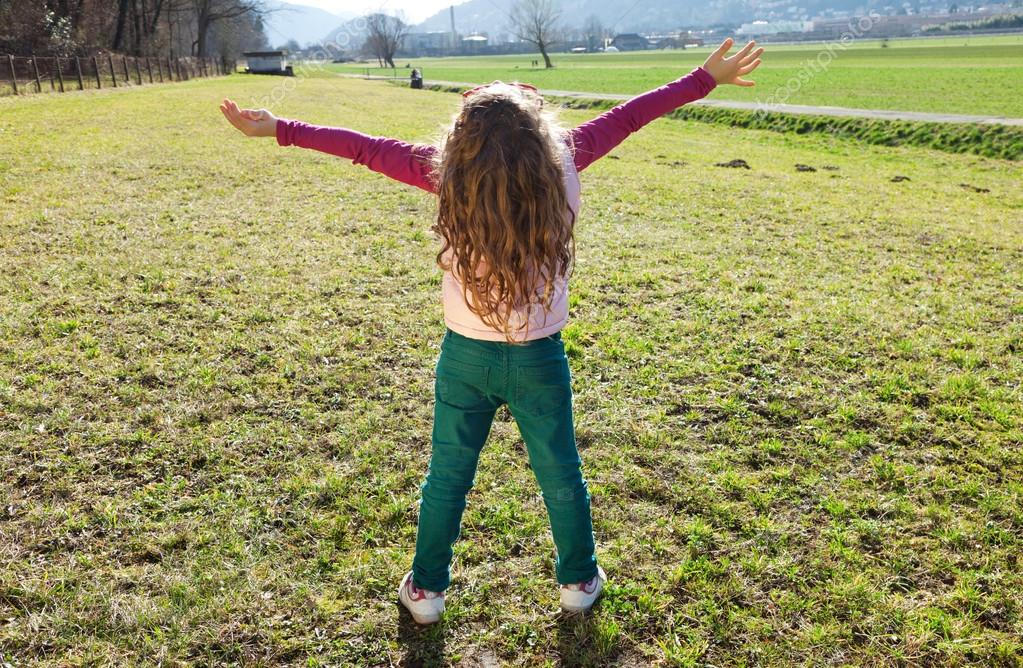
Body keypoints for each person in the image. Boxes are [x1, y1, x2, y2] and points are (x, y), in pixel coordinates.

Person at [219, 37, 763, 625]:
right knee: (560, 473)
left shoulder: (443, 171)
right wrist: (703, 78)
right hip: (539, 358)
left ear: (463, 138)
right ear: (539, 131)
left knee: (448, 477)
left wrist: (280, 128)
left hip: (465, 359)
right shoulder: (566, 157)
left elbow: (363, 148)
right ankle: (579, 580)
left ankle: (427, 592)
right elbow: (631, 115)